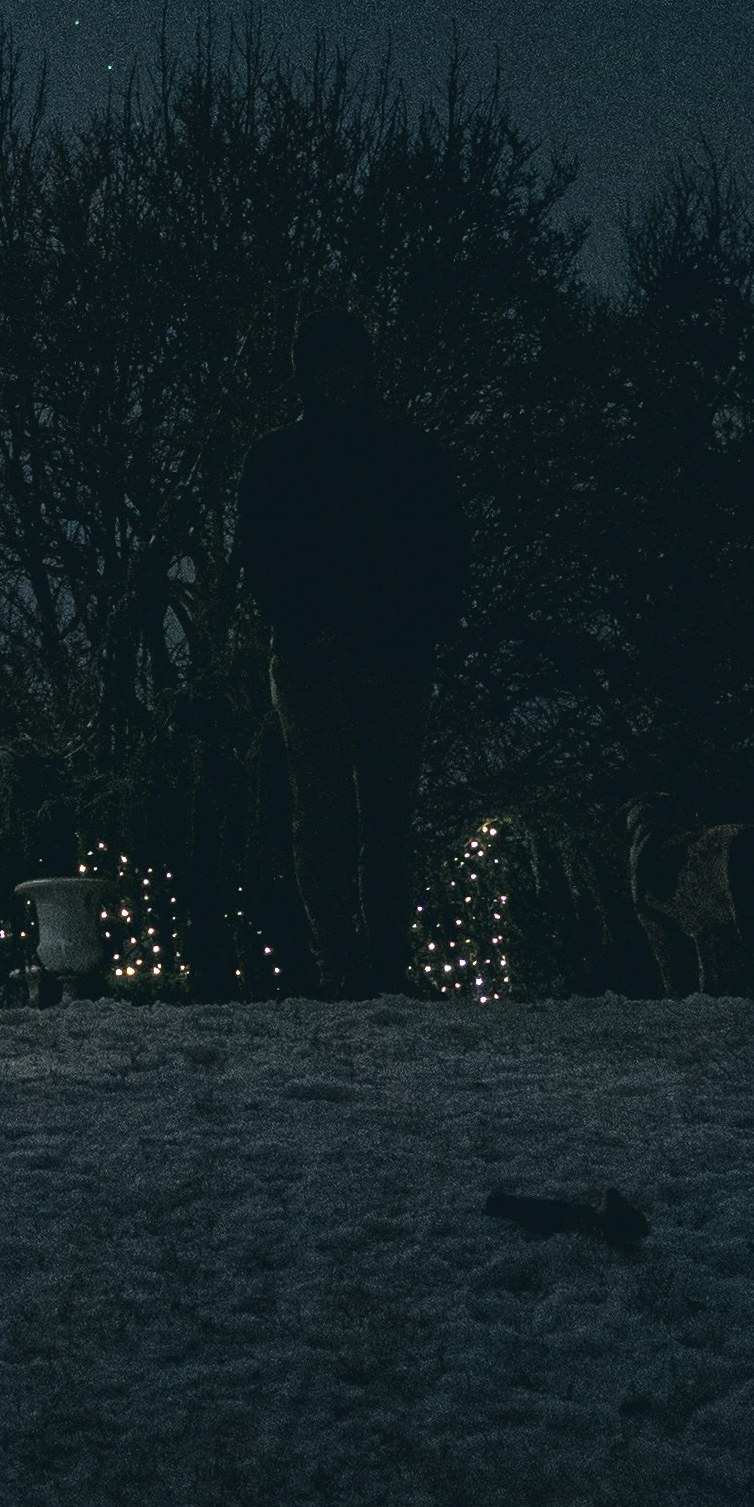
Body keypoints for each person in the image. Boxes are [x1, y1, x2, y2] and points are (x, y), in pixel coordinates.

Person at [234, 310, 469, 996]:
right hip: (335, 653)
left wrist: (413, 628)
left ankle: (369, 960)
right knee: (340, 811)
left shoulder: (291, 458)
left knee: (368, 813)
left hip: (371, 652)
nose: (342, 378)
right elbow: (261, 560)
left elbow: (445, 554)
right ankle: (350, 960)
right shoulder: (399, 454)